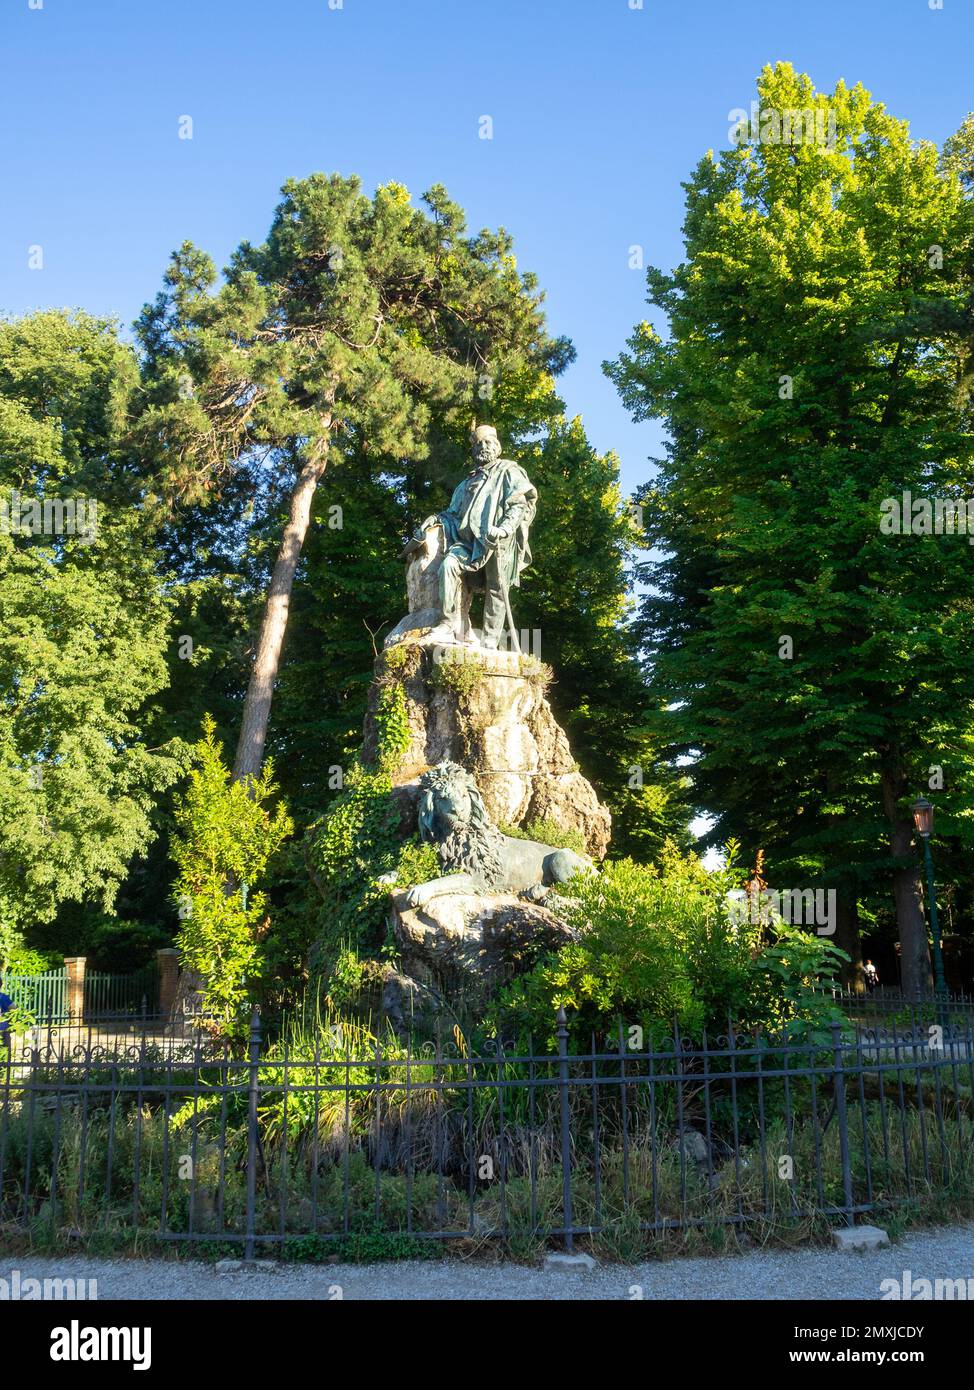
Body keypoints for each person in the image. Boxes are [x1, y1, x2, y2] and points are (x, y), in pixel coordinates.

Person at [413, 424, 537, 649]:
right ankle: (447, 623)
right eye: (478, 443)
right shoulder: (466, 483)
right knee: (448, 565)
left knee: (496, 587)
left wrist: (504, 529)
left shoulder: (508, 471)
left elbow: (520, 504)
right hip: (468, 543)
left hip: (497, 541)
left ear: (497, 446)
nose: (483, 447)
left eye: (488, 442)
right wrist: (437, 519)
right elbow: (453, 514)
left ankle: (489, 642)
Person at [0, 985, 13, 1052]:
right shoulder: (3, 997)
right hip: (3, 1029)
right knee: (5, 1053)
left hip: (3, 1029)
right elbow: (14, 1008)